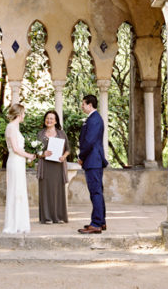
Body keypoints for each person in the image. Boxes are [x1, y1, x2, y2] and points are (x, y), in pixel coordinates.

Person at [3, 104, 36, 234]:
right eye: (23, 113)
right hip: (15, 162)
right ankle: (13, 224)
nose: (24, 115)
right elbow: (16, 149)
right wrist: (29, 155)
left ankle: (20, 222)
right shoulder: (11, 127)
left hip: (19, 162)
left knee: (20, 191)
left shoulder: (15, 127)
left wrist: (27, 156)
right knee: (15, 190)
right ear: (19, 114)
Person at [77, 94, 108, 234]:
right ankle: (101, 221)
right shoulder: (94, 119)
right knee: (97, 192)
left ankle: (96, 223)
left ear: (90, 105)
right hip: (93, 160)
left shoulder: (94, 119)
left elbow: (89, 141)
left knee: (95, 192)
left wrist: (81, 156)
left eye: (83, 104)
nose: (82, 106)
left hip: (92, 160)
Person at [36, 110, 70, 224]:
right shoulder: (40, 134)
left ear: (56, 121)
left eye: (51, 118)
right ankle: (47, 218)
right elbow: (36, 152)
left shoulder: (61, 133)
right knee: (45, 191)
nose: (49, 120)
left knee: (58, 191)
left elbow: (68, 150)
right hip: (45, 166)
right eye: (47, 118)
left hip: (58, 166)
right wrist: (43, 154)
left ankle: (59, 217)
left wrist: (63, 157)